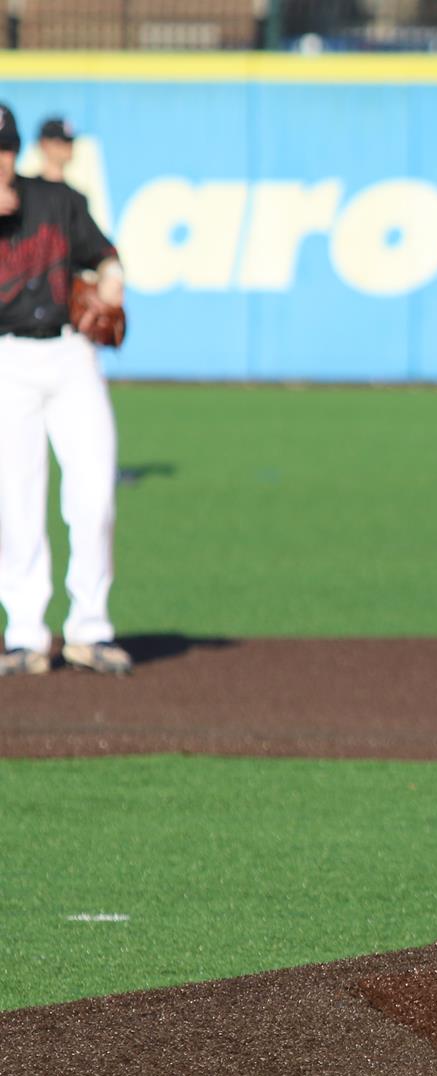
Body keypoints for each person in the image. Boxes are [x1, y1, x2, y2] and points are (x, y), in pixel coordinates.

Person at [0, 104, 130, 677]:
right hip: (8, 359)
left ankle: (89, 628)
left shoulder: (55, 200)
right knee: (16, 501)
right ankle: (25, 633)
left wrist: (111, 286)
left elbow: (105, 257)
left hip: (71, 355)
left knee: (95, 491)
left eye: (4, 148)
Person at [34, 117, 75, 185]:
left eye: (70, 141)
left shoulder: (76, 195)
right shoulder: (25, 190)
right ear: (43, 144)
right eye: (60, 142)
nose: (68, 146)